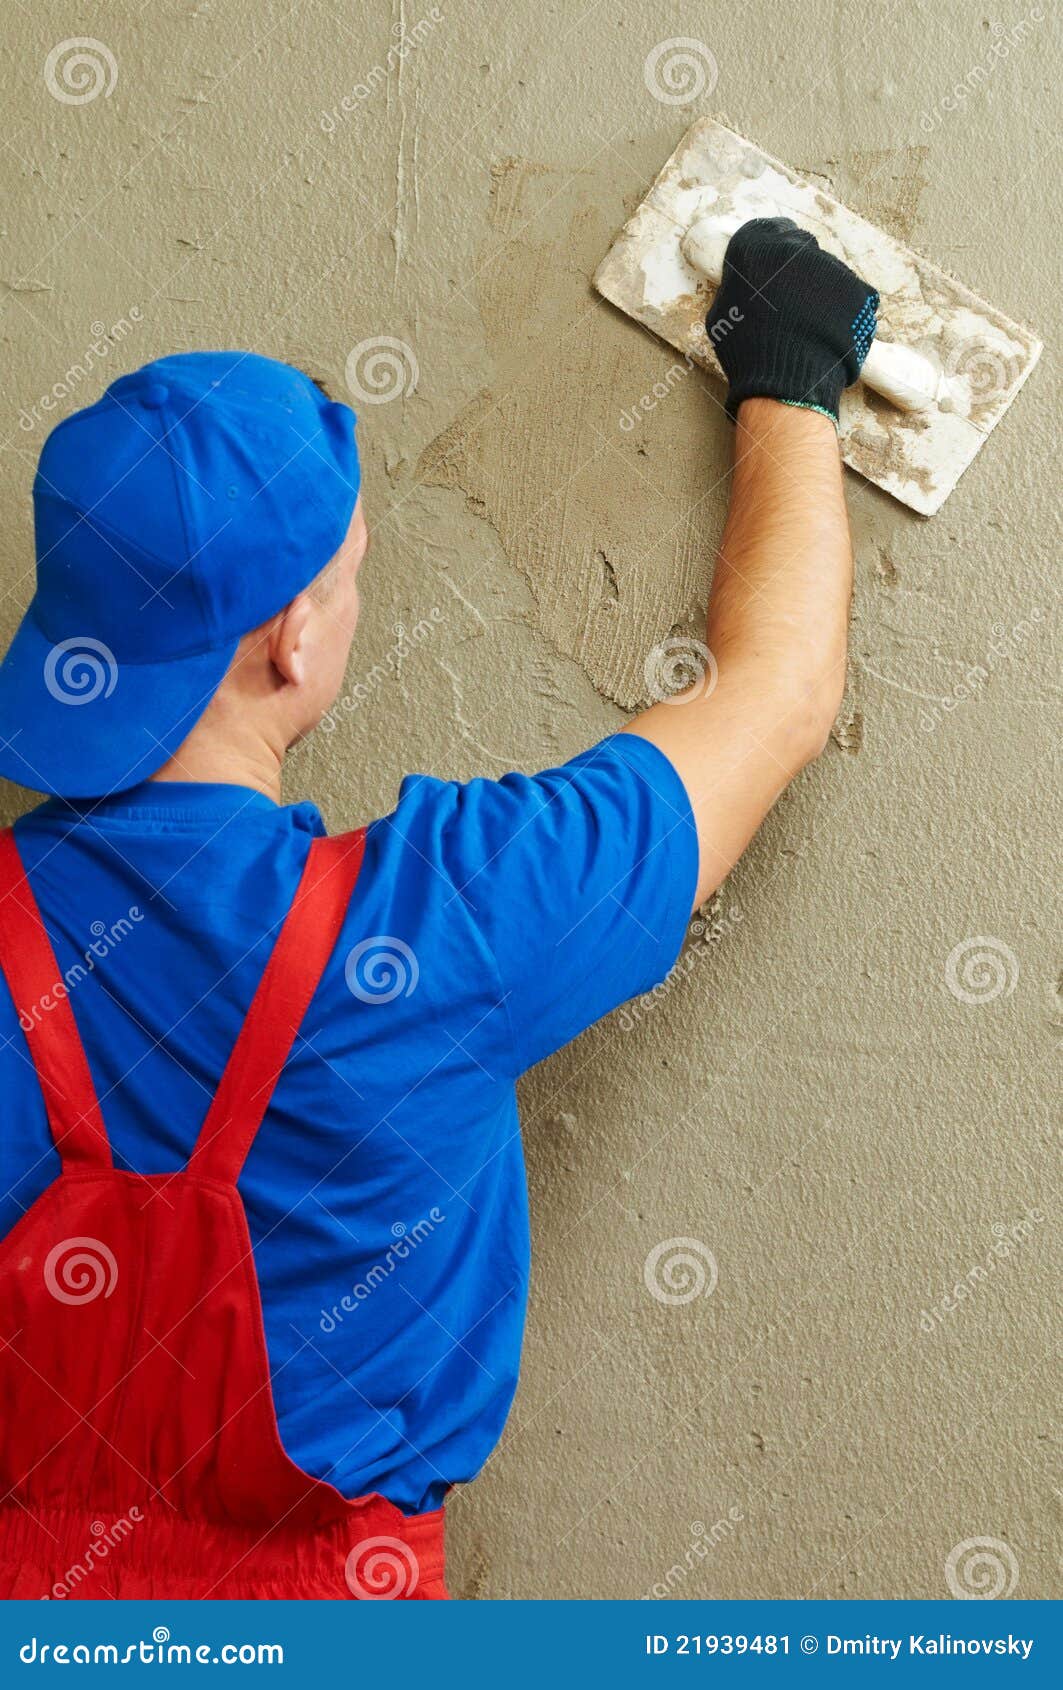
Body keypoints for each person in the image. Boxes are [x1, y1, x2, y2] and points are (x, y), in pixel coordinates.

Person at [0, 220, 876, 1599]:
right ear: (293, 636)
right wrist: (792, 370)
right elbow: (777, 695)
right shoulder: (446, 913)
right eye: (349, 574)